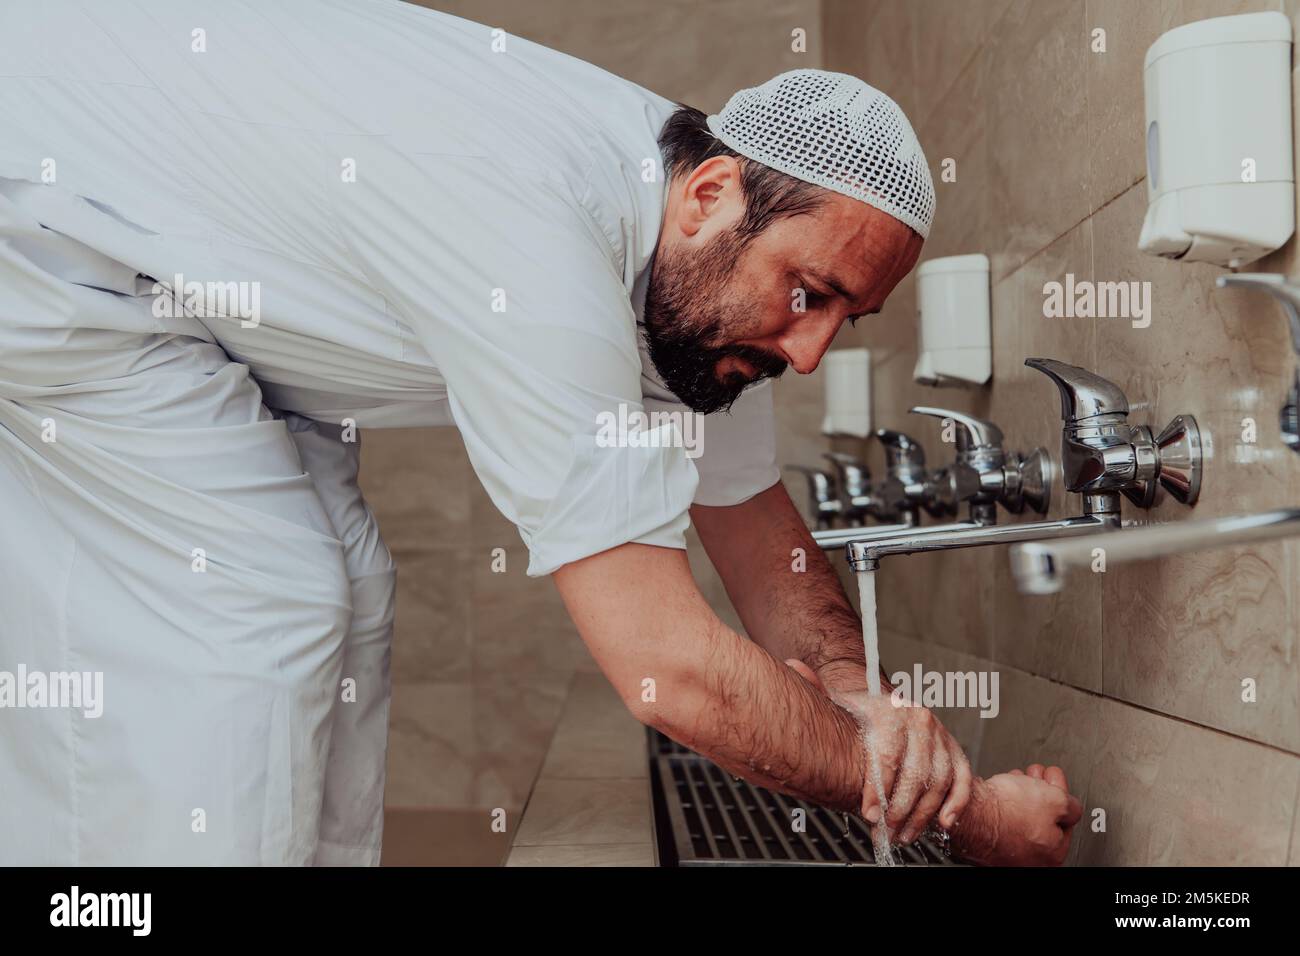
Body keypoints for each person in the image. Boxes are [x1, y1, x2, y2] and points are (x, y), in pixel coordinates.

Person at [0, 0, 1081, 865]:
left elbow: (756, 533)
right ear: (710, 193)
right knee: (254, 599)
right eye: (809, 295)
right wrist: (969, 816)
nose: (810, 354)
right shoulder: (538, 234)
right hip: (45, 213)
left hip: (176, 271)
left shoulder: (696, 257)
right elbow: (670, 672)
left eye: (846, 319)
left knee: (349, 597)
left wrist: (855, 693)